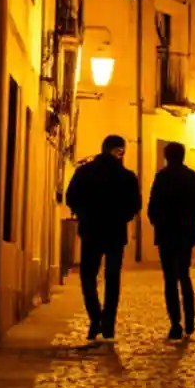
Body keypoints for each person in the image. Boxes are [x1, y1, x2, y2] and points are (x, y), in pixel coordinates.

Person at [65, 135, 141, 341]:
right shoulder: (127, 176)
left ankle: (95, 318)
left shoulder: (84, 172)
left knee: (88, 276)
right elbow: (135, 205)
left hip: (91, 230)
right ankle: (108, 325)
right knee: (112, 278)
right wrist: (122, 216)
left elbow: (70, 197)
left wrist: (83, 213)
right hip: (115, 232)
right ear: (119, 151)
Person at [147, 142, 195, 340]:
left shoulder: (161, 178)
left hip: (165, 234)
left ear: (166, 157)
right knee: (184, 275)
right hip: (185, 234)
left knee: (170, 280)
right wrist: (188, 220)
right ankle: (190, 321)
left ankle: (175, 324)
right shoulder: (192, 177)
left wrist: (158, 223)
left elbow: (152, 206)